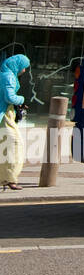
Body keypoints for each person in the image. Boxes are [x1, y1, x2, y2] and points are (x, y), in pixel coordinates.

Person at [0, 54, 30, 190]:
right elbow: (9, 97)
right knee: (14, 144)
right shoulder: (9, 76)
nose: (23, 70)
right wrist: (22, 99)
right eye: (23, 67)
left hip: (6, 113)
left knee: (6, 146)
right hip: (5, 115)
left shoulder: (6, 74)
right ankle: (9, 179)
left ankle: (7, 178)